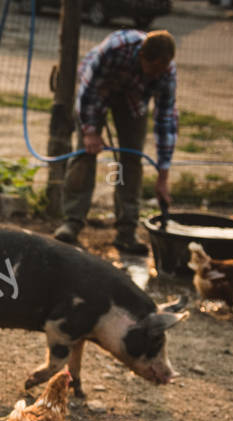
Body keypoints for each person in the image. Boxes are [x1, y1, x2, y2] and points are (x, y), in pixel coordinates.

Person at [55, 29, 178, 254]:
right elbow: (88, 92)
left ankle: (126, 231)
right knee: (85, 153)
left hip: (133, 100)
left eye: (162, 70)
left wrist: (163, 175)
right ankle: (72, 221)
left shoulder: (166, 72)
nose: (157, 75)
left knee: (131, 158)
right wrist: (90, 132)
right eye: (154, 69)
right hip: (97, 92)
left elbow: (165, 120)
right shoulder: (114, 50)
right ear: (142, 56)